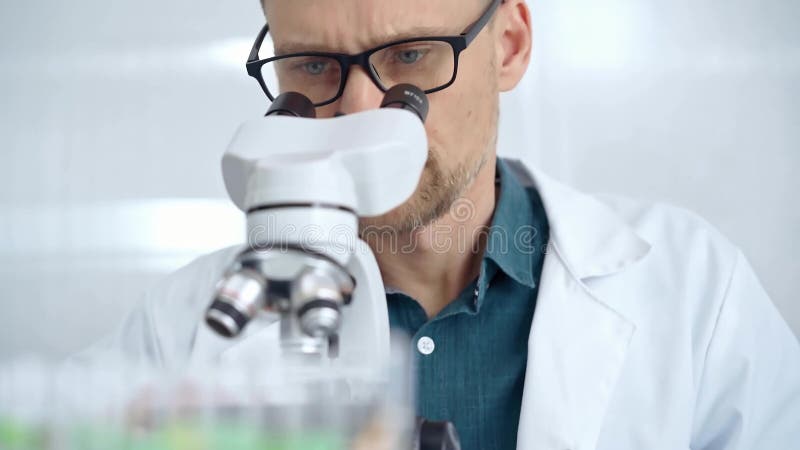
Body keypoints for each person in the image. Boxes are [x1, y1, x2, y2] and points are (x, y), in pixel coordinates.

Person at [78, 0, 800, 448]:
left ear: (509, 44)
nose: (361, 113)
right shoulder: (184, 331)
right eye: (313, 67)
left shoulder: (695, 294)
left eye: (410, 56)